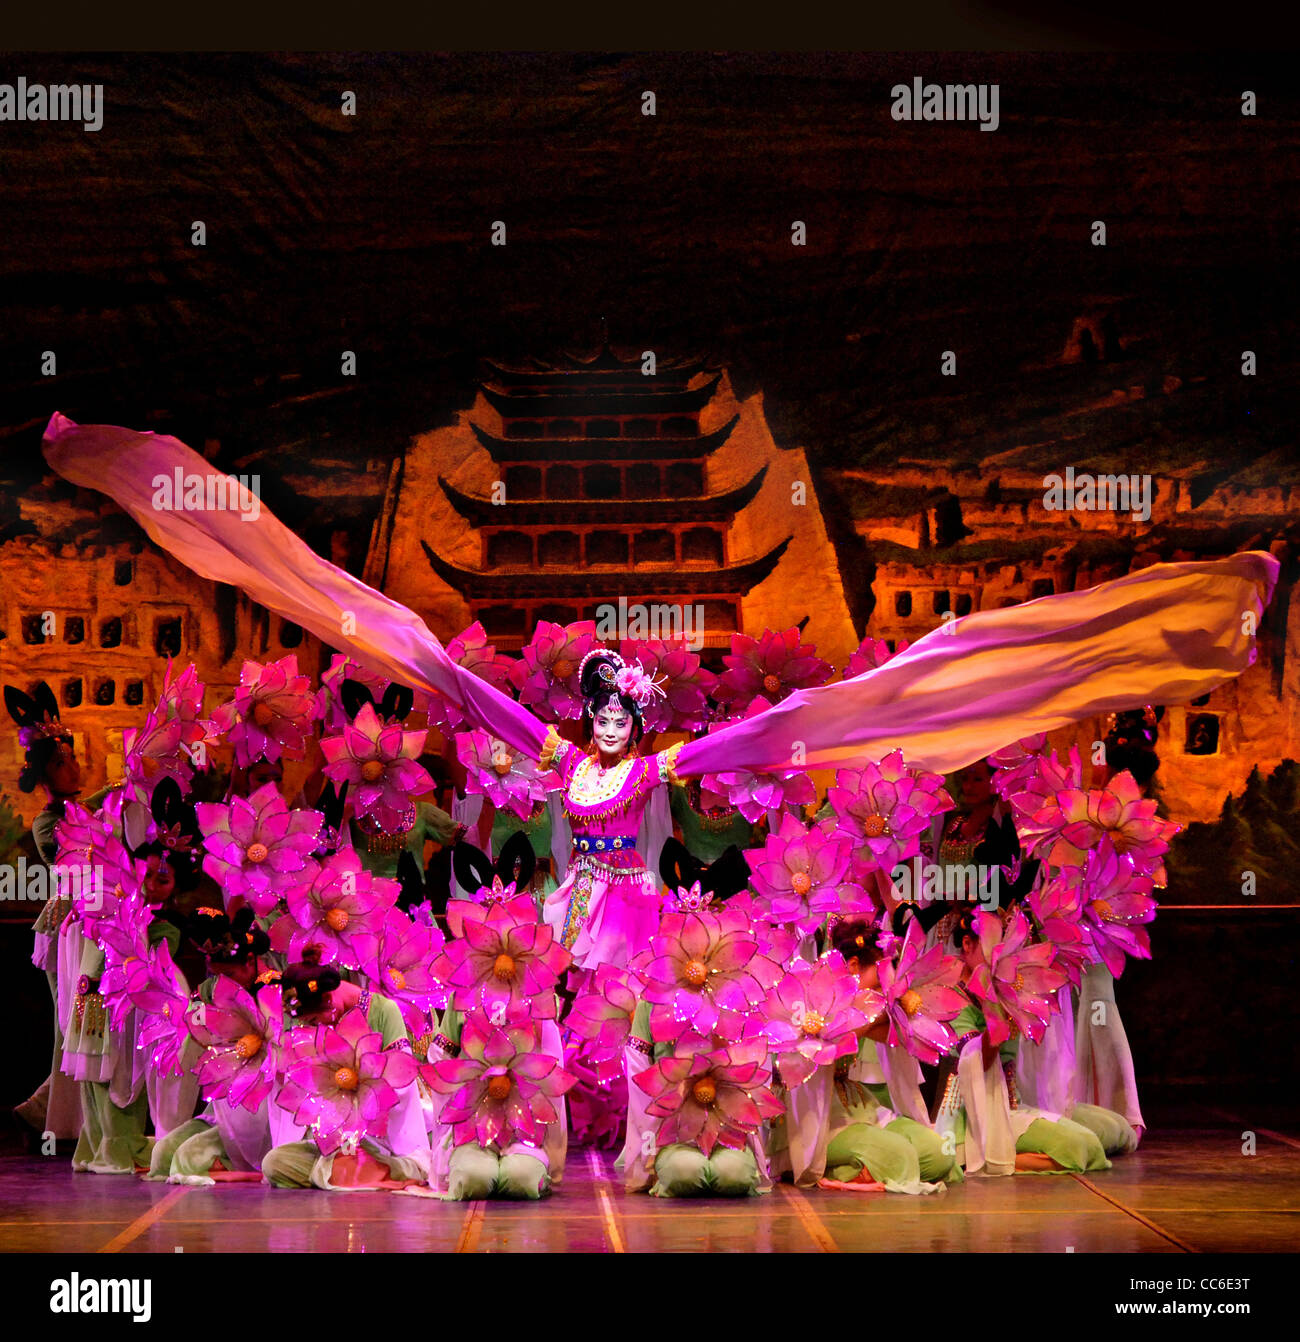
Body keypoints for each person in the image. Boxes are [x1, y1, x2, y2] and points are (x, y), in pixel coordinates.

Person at [935, 910, 1137, 1176]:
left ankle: (1012, 1151)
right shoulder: (952, 996)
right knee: (1082, 1147)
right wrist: (996, 1013)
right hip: (973, 1114)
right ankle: (993, 1158)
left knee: (1121, 1131)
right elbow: (974, 1064)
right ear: (967, 944)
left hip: (1014, 1104)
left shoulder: (1008, 988)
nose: (1002, 958)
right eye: (995, 946)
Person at [769, 919, 956, 1194]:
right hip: (815, 1117)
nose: (883, 988)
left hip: (854, 1106)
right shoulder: (816, 993)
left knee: (938, 1153)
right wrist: (887, 1004)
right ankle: (842, 1168)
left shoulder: (867, 1007)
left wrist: (906, 1004)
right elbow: (846, 1035)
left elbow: (894, 1034)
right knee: (899, 1154)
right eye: (880, 978)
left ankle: (860, 1168)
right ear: (854, 966)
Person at [538, 651, 687, 979]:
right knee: (578, 971)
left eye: (621, 724)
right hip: (582, 881)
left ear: (634, 729)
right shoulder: (573, 763)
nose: (610, 731)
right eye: (602, 721)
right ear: (591, 722)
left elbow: (699, 756)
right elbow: (524, 730)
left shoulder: (643, 770)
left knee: (616, 971)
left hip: (624, 887)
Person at [5, 681, 108, 1144]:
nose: (73, 768)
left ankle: (50, 1110)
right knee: (70, 1021)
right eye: (61, 763)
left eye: (73, 759)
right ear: (44, 776)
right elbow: (80, 848)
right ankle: (57, 1118)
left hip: (96, 922)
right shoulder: (50, 823)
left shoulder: (88, 808)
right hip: (67, 927)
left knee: (90, 1020)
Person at [260, 962, 429, 1191]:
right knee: (274, 1163)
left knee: (352, 1161)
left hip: (377, 1135)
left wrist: (357, 1095)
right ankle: (347, 1174)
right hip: (329, 1138)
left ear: (329, 999)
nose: (315, 1026)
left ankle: (375, 1170)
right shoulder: (320, 1021)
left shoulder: (383, 1011)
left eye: (314, 1020)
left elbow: (403, 1079)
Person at [147, 907, 275, 1184]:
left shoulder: (273, 989)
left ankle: (244, 1169)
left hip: (262, 1106)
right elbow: (193, 1024)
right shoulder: (211, 989)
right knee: (162, 1155)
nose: (222, 983)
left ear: (250, 961)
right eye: (216, 975)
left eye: (229, 973)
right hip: (224, 1103)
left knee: (187, 1160)